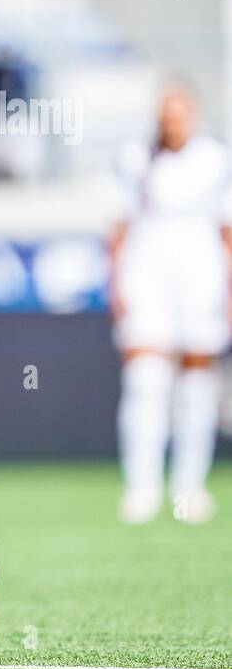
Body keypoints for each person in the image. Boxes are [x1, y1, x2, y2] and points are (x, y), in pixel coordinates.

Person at [109, 81, 230, 525]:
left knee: (197, 382)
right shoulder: (134, 159)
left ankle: (189, 488)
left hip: (202, 276)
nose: (170, 120)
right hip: (147, 276)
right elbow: (118, 226)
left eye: (178, 112)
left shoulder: (215, 160)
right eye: (165, 112)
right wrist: (117, 283)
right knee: (145, 378)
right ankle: (141, 488)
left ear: (192, 114)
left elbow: (226, 230)